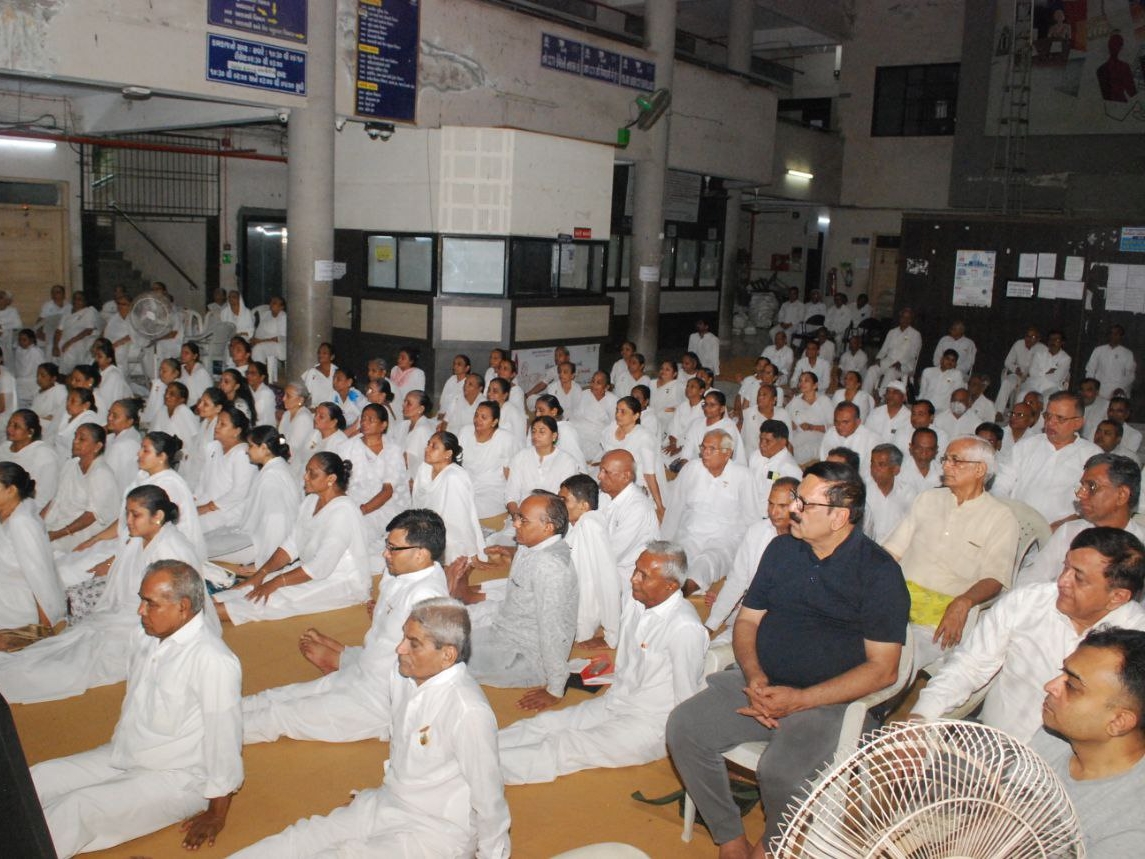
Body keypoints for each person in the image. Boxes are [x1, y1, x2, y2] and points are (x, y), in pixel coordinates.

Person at [667, 461, 910, 857]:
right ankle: (730, 838)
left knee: (778, 771)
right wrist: (756, 677)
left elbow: (884, 670)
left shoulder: (879, 573)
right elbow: (746, 622)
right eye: (797, 497)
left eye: (804, 503)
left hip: (831, 703)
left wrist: (800, 700)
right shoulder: (782, 550)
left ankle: (775, 843)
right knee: (684, 727)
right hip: (761, 685)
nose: (792, 508)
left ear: (839, 517)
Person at [230, 597, 510, 859]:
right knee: (299, 838)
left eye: (413, 643)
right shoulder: (402, 675)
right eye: (403, 637)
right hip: (387, 802)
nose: (400, 648)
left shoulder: (468, 711)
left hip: (435, 833)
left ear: (447, 655)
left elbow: (489, 800)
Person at [30, 561, 241, 858]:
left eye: (150, 603)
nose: (140, 611)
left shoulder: (213, 660)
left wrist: (216, 814)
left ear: (182, 606)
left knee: (74, 809)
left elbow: (225, 741)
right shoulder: (144, 636)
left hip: (177, 777)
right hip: (125, 752)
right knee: (37, 778)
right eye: (141, 600)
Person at [499, 541, 707, 783]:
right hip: (615, 702)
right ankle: (471, 752)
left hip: (649, 725)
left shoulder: (684, 628)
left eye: (644, 575)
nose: (633, 580)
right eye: (635, 570)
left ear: (671, 586)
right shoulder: (635, 601)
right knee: (546, 723)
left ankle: (479, 773)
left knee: (565, 746)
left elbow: (687, 700)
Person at [912, 527, 1145, 742]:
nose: (1062, 581)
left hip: (1067, 769)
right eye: (1065, 567)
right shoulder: (1027, 602)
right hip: (993, 745)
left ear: (1118, 597)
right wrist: (921, 718)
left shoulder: (1136, 639)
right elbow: (969, 666)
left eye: (1078, 578)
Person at [242, 509, 451, 745]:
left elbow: (430, 668)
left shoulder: (427, 597)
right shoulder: (398, 573)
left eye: (393, 548)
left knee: (279, 715)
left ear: (420, 554)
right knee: (277, 697)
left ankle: (203, 735)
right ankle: (208, 715)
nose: (385, 553)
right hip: (362, 672)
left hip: (378, 701)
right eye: (387, 545)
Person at [0, 484, 211, 704]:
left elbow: (179, 610)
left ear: (157, 516)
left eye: (135, 515)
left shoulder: (173, 549)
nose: (128, 520)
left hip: (147, 627)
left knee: (73, 664)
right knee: (63, 646)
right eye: (127, 513)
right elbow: (120, 591)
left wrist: (132, 623)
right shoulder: (138, 541)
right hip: (120, 617)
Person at [883, 435, 1019, 668]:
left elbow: (995, 578)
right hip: (894, 601)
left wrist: (963, 602)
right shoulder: (928, 499)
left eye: (955, 460)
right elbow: (891, 552)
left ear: (980, 470)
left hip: (940, 618)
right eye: (946, 459)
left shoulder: (1001, 518)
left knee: (893, 663)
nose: (945, 465)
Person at [214, 452, 371, 624]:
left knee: (271, 598)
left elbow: (320, 567)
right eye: (306, 471)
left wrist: (276, 582)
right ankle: (202, 607)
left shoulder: (344, 511)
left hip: (341, 582)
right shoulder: (311, 501)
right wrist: (262, 573)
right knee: (251, 585)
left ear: (331, 479)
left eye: (313, 473)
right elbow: (291, 544)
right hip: (310, 569)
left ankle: (199, 615)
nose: (305, 477)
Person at [456, 492, 578, 710]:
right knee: (442, 631)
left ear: (547, 528)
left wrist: (555, 687)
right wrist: (509, 552)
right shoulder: (530, 544)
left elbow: (553, 629)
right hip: (503, 628)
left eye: (523, 520)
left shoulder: (551, 568)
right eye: (517, 516)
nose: (515, 523)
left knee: (441, 656)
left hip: (524, 655)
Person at [1031, 628, 1145, 856]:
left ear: (1118, 721)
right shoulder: (1053, 737)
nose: (1050, 686)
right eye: (1062, 673)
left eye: (1071, 686)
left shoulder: (1132, 827)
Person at [1019, 453, 1144, 587]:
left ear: (1121, 495)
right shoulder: (1069, 531)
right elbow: (1030, 580)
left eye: (1091, 487)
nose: (1080, 494)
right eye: (1081, 486)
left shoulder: (1141, 544)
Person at [662, 429, 759, 594]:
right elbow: (675, 508)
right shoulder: (691, 469)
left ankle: (681, 592)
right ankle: (668, 591)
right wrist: (664, 541)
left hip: (724, 539)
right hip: (690, 534)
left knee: (706, 563)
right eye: (703, 447)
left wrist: (751, 557)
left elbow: (752, 518)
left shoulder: (743, 476)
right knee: (675, 563)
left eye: (711, 449)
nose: (705, 453)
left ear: (727, 453)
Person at [706, 476, 797, 642]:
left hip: (784, 631)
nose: (774, 512)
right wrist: (710, 626)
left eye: (782, 506)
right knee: (708, 656)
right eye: (771, 504)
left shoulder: (808, 541)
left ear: (798, 506)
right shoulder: (757, 532)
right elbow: (737, 581)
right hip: (745, 621)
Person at [993, 391, 1101, 526]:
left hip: (1063, 533)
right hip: (1015, 524)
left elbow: (1095, 501)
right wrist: (1006, 515)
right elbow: (1001, 484)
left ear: (1078, 423)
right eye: (1048, 416)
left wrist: (1067, 524)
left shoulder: (1092, 455)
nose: (1051, 423)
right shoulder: (1026, 445)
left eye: (1060, 418)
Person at [205, 425, 302, 574]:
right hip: (252, 534)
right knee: (204, 537)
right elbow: (248, 506)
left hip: (259, 544)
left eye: (250, 446)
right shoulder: (273, 468)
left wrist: (264, 566)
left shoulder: (272, 477)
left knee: (198, 548)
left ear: (264, 448)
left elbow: (276, 523)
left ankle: (239, 572)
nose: (246, 450)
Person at [0, 462, 63, 636]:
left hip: (14, 606)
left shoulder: (22, 522)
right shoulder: (9, 514)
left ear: (11, 490)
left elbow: (40, 576)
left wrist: (45, 628)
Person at [558, 473, 620, 648]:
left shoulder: (590, 524)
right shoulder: (573, 525)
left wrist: (611, 635)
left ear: (584, 506)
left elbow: (607, 579)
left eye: (564, 500)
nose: (559, 505)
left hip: (580, 616)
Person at [344, 403, 408, 568]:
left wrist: (362, 511)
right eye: (363, 419)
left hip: (384, 505)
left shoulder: (392, 450)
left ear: (383, 425)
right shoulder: (347, 447)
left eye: (371, 420)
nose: (364, 423)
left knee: (358, 532)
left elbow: (387, 491)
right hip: (352, 501)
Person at [41, 423, 118, 553]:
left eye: (81, 439)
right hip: (57, 523)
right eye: (75, 436)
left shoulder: (102, 473)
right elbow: (56, 500)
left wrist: (57, 534)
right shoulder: (70, 465)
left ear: (97, 446)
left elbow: (91, 516)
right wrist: (37, 521)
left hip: (81, 533)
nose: (75, 442)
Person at [597, 448, 660, 588]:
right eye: (600, 470)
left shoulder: (637, 508)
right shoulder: (604, 496)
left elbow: (610, 554)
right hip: (606, 571)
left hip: (629, 580)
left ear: (626, 477)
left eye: (605, 472)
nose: (599, 476)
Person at [600, 395, 665, 517]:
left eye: (623, 412)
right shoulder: (611, 429)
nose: (618, 415)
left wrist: (659, 506)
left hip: (636, 483)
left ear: (636, 416)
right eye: (617, 410)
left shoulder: (644, 437)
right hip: (611, 479)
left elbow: (649, 474)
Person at [195, 405, 256, 533]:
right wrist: (195, 499)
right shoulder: (214, 447)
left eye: (223, 424)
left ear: (237, 431)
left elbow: (239, 492)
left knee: (193, 527)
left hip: (229, 510)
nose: (216, 427)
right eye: (217, 422)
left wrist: (207, 508)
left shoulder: (242, 453)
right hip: (207, 502)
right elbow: (204, 479)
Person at [457, 400, 516, 521]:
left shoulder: (505, 439)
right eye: (476, 415)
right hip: (466, 486)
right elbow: (457, 464)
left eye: (483, 417)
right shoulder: (465, 432)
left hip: (492, 490)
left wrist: (513, 499)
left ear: (494, 422)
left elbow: (509, 474)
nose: (477, 420)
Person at [0, 409, 61, 512]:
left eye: (16, 426)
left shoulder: (45, 456)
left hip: (24, 511)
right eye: (9, 424)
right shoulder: (4, 448)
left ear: (30, 432)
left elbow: (44, 498)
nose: (9, 429)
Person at [863, 306, 921, 396]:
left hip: (905, 364)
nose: (905, 320)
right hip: (889, 360)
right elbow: (884, 348)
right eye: (903, 317)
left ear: (911, 320)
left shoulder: (915, 335)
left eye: (908, 318)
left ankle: (882, 396)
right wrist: (878, 358)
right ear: (900, 318)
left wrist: (901, 362)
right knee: (872, 369)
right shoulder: (892, 332)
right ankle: (864, 394)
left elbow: (913, 354)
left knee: (890, 372)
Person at [747, 419, 801, 509]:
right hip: (750, 509)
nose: (762, 445)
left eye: (768, 441)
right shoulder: (755, 456)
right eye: (761, 439)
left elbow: (795, 501)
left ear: (783, 442)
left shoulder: (790, 468)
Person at [864, 442, 913, 543]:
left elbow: (912, 526)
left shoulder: (908, 493)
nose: (874, 469)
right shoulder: (863, 490)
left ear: (896, 469)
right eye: (872, 463)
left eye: (881, 464)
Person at [787, 370, 833, 465]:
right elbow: (786, 419)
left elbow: (834, 426)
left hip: (819, 438)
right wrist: (791, 424)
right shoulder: (795, 401)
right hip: (798, 437)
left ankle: (784, 471)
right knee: (785, 448)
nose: (802, 383)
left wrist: (812, 427)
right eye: (800, 381)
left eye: (806, 380)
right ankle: (773, 474)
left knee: (799, 453)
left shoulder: (824, 401)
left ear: (815, 385)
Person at [818, 400, 879, 469]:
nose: (840, 426)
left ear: (858, 422)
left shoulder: (872, 440)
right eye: (836, 422)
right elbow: (824, 461)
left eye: (845, 422)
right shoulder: (831, 433)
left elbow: (869, 472)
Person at [53, 291, 100, 375]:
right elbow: (58, 331)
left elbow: (88, 330)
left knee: (70, 351)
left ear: (85, 301)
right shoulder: (67, 313)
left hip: (80, 340)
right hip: (64, 340)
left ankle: (71, 375)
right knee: (54, 355)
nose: (76, 301)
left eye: (79, 299)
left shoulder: (88, 312)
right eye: (74, 299)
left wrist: (69, 342)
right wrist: (55, 346)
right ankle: (62, 377)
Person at [103, 398, 142, 494]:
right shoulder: (112, 437)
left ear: (129, 421)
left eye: (115, 416)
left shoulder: (123, 445)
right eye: (109, 413)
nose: (109, 418)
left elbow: (106, 477)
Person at [1085, 324, 1135, 399]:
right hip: (1099, 390)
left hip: (1117, 391)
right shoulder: (1098, 350)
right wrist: (1091, 387)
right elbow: (1090, 370)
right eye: (1111, 333)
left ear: (1121, 336)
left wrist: (1120, 388)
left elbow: (1130, 376)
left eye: (1116, 334)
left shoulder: (1128, 354)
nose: (1112, 336)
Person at [740, 382, 792, 454]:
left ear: (774, 399)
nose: (760, 397)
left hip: (776, 455)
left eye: (764, 395)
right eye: (759, 394)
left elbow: (788, 442)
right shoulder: (748, 414)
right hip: (752, 455)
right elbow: (744, 441)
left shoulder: (783, 414)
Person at [250, 295, 287, 381]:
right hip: (263, 342)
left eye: (274, 303)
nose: (271, 304)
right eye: (271, 302)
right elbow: (260, 330)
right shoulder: (266, 314)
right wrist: (254, 339)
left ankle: (260, 378)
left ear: (281, 307)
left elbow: (281, 338)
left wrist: (260, 341)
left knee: (258, 349)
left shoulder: (283, 316)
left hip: (279, 345)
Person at [1024, 329, 1071, 396]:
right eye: (1051, 339)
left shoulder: (1066, 358)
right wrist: (1047, 372)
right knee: (1022, 395)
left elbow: (1057, 378)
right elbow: (1032, 372)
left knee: (1047, 398)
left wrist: (1040, 372)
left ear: (1062, 342)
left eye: (1056, 340)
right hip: (1034, 384)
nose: (1053, 342)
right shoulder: (1039, 354)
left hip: (1052, 387)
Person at [866, 379, 911, 448]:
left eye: (895, 392)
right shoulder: (875, 412)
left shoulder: (909, 417)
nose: (890, 395)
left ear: (904, 397)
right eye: (888, 392)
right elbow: (867, 435)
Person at [13, 329, 46, 409]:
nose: (21, 342)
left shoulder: (35, 351)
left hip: (32, 382)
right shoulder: (18, 350)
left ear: (31, 340)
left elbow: (42, 367)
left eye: (24, 340)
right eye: (19, 340)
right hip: (20, 381)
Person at [301, 342, 338, 408]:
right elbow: (306, 394)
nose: (320, 355)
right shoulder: (312, 372)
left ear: (332, 357)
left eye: (324, 353)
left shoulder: (337, 372)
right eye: (319, 352)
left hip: (333, 408)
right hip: (316, 409)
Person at [246, 361, 277, 427]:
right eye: (247, 372)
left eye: (253, 373)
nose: (248, 375)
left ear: (262, 377)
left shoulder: (266, 393)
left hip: (264, 429)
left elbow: (263, 419)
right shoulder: (248, 389)